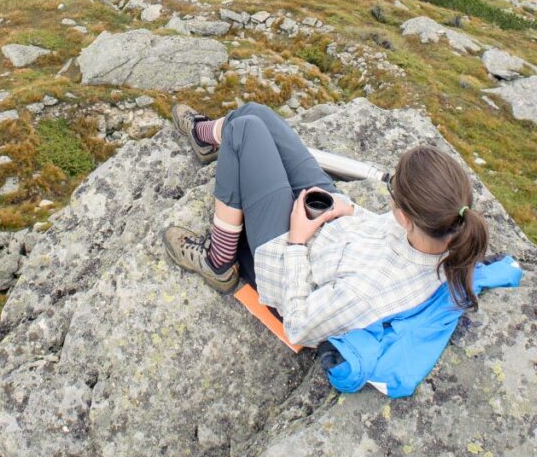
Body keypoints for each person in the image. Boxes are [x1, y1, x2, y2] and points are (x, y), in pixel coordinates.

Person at [162, 102, 489, 348]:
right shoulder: (445, 228)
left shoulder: (365, 294)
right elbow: (380, 232)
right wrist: (349, 212)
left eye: (393, 192)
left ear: (405, 216)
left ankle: (217, 260)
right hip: (332, 222)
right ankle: (203, 138)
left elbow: (299, 325)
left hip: (291, 250)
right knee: (256, 113)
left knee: (244, 130)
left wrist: (297, 243)